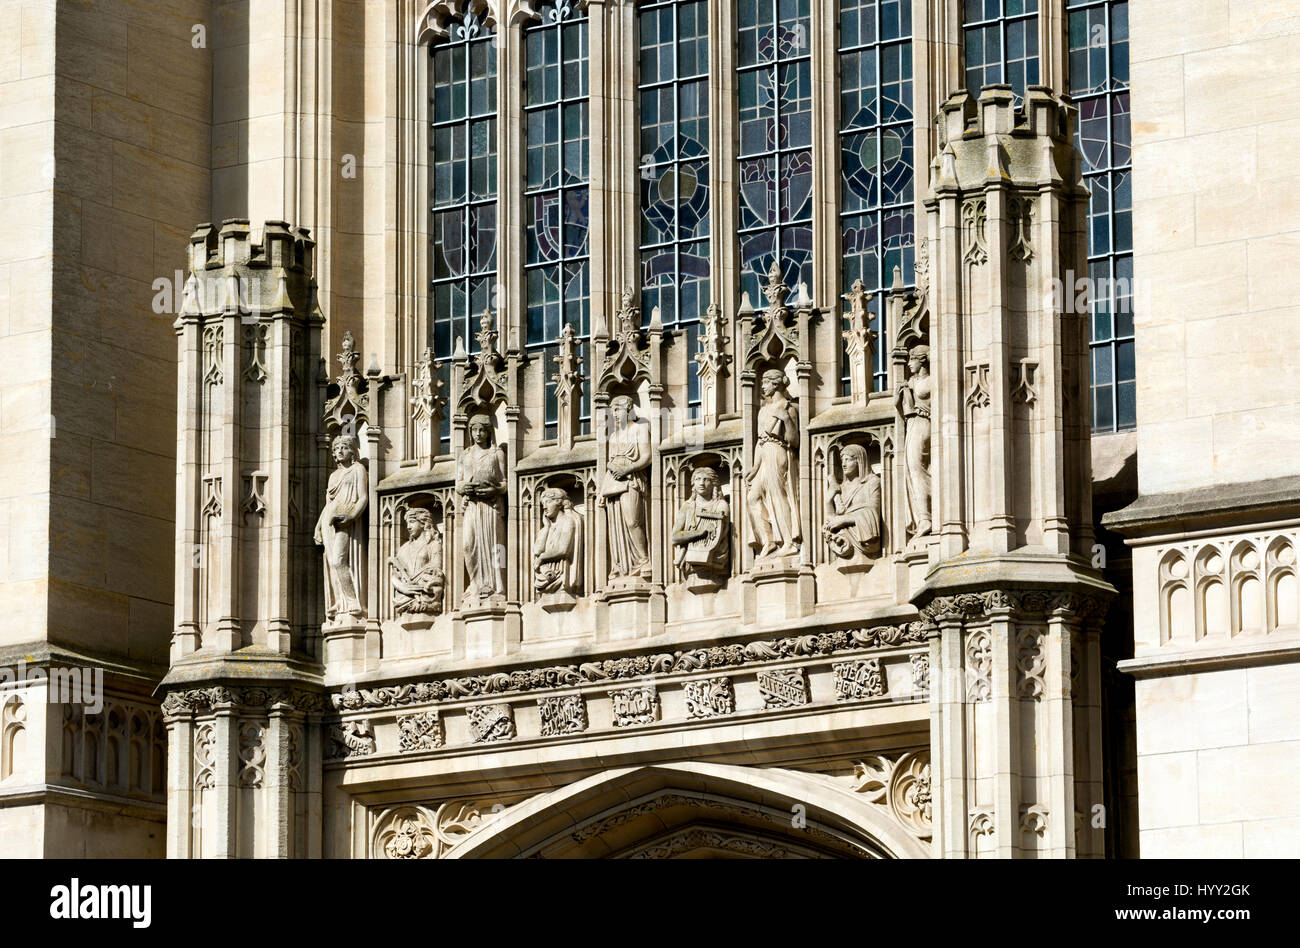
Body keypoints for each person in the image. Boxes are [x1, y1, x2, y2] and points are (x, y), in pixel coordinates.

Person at [746, 368, 801, 558]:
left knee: (779, 497)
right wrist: (754, 467)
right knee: (752, 498)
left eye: (765, 382)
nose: (762, 386)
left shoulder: (789, 407)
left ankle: (789, 542)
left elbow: (794, 441)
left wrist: (787, 420)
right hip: (764, 454)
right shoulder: (763, 411)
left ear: (776, 383)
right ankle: (768, 540)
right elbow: (760, 441)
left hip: (779, 453)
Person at [316, 434, 368, 622]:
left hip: (345, 520)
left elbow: (363, 497)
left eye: (344, 448)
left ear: (352, 451)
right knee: (331, 563)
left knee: (339, 561)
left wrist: (352, 516)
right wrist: (317, 527)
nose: (339, 451)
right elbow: (328, 504)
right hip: (328, 522)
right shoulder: (333, 476)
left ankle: (353, 600)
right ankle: (340, 602)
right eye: (336, 449)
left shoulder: (358, 469)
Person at [457, 414, 507, 602]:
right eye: (474, 430)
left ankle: (494, 585)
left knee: (495, 546)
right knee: (468, 545)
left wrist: (495, 489)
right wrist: (463, 487)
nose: (478, 434)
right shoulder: (465, 455)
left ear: (488, 432)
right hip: (471, 505)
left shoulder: (496, 453)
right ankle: (475, 583)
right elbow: (458, 482)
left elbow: (504, 482)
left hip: (491, 506)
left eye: (481, 430)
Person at [601, 395, 651, 577]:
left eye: (618, 409)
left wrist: (628, 468)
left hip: (632, 480)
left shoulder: (640, 428)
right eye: (612, 410)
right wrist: (602, 491)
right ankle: (622, 565)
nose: (614, 414)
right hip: (614, 483)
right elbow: (610, 462)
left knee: (632, 521)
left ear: (629, 409)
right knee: (616, 526)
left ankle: (644, 560)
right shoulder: (614, 436)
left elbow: (647, 456)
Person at [896, 344, 932, 540]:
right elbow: (901, 408)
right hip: (912, 425)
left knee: (918, 469)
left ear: (923, 360)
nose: (909, 364)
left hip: (923, 425)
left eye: (912, 360)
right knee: (911, 470)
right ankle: (923, 516)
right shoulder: (912, 381)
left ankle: (928, 517)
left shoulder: (931, 381)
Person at [824, 443, 882, 559]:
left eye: (848, 460)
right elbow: (832, 519)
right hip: (841, 542)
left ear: (859, 461)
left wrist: (845, 519)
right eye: (842, 461)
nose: (844, 464)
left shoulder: (872, 482)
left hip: (865, 540)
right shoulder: (841, 488)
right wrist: (828, 501)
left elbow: (873, 512)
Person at [672, 466, 730, 579]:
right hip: (691, 562)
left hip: (715, 559)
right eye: (698, 479)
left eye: (706, 479)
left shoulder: (721, 505)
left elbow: (719, 536)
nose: (701, 483)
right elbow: (674, 538)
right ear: (693, 483)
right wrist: (700, 532)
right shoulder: (687, 506)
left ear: (714, 483)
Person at [390, 507, 445, 616]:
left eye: (412, 522)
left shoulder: (434, 544)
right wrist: (403, 588)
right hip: (405, 593)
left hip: (425, 590)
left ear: (423, 523)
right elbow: (395, 574)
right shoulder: (403, 548)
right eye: (407, 523)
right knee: (399, 600)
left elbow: (436, 570)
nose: (408, 527)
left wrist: (423, 583)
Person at [533, 487, 584, 595]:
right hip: (545, 573)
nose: (544, 507)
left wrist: (542, 558)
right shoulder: (545, 529)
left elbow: (563, 549)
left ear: (558, 503)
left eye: (548, 502)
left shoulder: (568, 521)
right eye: (543, 504)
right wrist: (547, 528)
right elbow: (537, 550)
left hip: (560, 572)